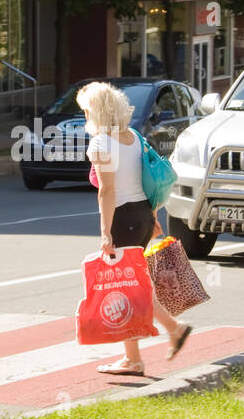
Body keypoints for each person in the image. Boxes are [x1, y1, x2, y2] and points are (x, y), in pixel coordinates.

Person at [79, 81, 193, 376]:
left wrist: (106, 232)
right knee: (130, 285)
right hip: (142, 212)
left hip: (122, 218)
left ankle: (160, 339)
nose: (84, 116)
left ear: (96, 111)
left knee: (125, 287)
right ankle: (140, 351)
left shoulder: (101, 143)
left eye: (85, 110)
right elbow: (148, 179)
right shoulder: (133, 137)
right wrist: (153, 215)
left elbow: (107, 192)